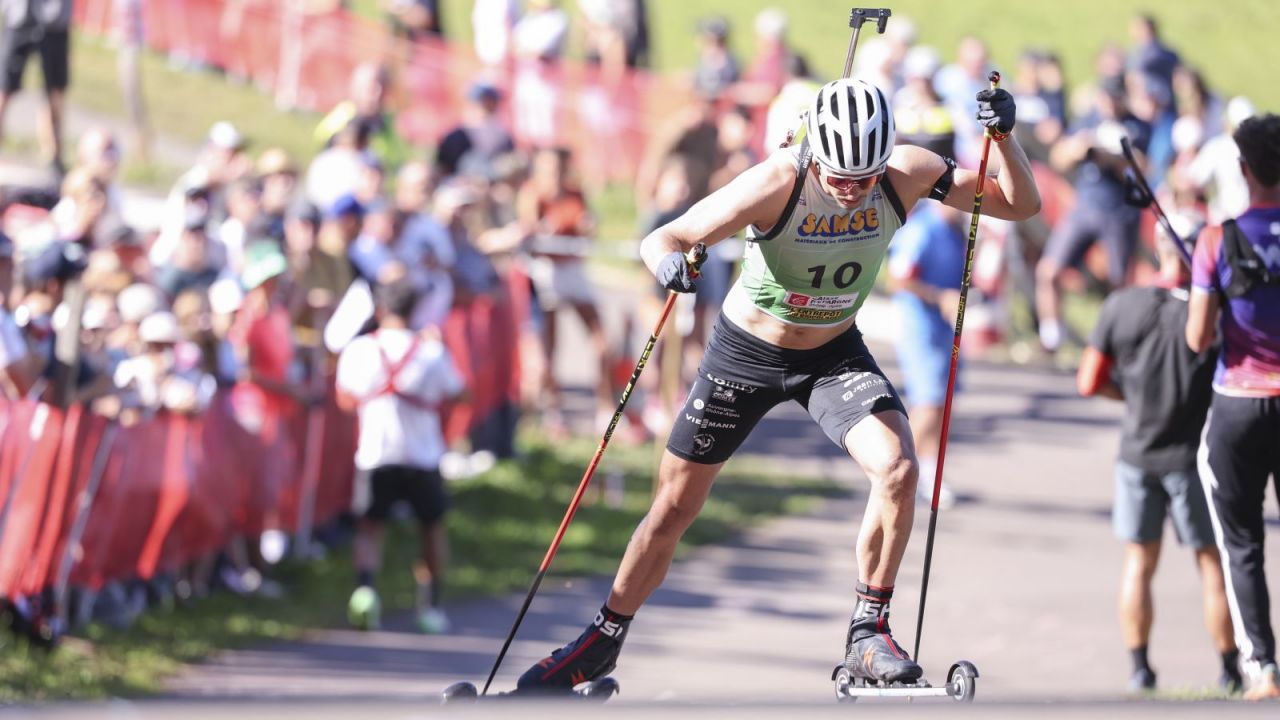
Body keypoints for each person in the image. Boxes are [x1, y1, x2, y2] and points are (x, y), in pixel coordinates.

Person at [513, 77, 1040, 692]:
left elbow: (1017, 204)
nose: (850, 192)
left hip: (831, 355)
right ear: (814, 153)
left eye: (864, 178)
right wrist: (669, 265)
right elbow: (666, 236)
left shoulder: (908, 171)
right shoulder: (775, 183)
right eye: (838, 177)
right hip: (746, 355)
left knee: (898, 469)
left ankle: (868, 632)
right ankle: (601, 639)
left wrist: (1003, 137)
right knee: (675, 507)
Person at [1077, 219, 1240, 693]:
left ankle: (1140, 669)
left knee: (1139, 562)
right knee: (1211, 563)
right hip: (1193, 456)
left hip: (1136, 453)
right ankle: (1230, 668)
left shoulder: (1122, 305)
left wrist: (1128, 397)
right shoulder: (1214, 317)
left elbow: (1089, 381)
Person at [1186, 113, 1280, 701]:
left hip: (1239, 405)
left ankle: (1264, 667)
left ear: (1242, 170)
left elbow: (1198, 336)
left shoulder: (1218, 239)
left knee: (1243, 543)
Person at [335, 275, 465, 634]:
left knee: (369, 528)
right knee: (431, 530)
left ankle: (366, 593)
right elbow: (459, 394)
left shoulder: (360, 349)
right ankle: (431, 606)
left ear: (380, 309)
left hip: (376, 453)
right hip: (422, 454)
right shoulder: (430, 351)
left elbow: (345, 400)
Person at [1037, 78, 1151, 353]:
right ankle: (1051, 337)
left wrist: (1110, 158)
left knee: (1118, 282)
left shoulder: (1137, 126)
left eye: (1115, 98)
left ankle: (1115, 345)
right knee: (1048, 271)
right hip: (1084, 207)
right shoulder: (1088, 120)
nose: (1110, 104)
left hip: (1119, 211)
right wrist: (1076, 149)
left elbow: (1143, 168)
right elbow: (1057, 157)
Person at [886, 203, 967, 509]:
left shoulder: (955, 229)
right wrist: (940, 296)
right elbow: (898, 279)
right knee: (929, 402)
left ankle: (930, 475)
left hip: (946, 328)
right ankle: (897, 471)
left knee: (943, 403)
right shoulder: (921, 229)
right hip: (920, 327)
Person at [0, 0, 71, 174]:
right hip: (19, 14)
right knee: (4, 87)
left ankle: (53, 156)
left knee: (54, 91)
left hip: (55, 19)